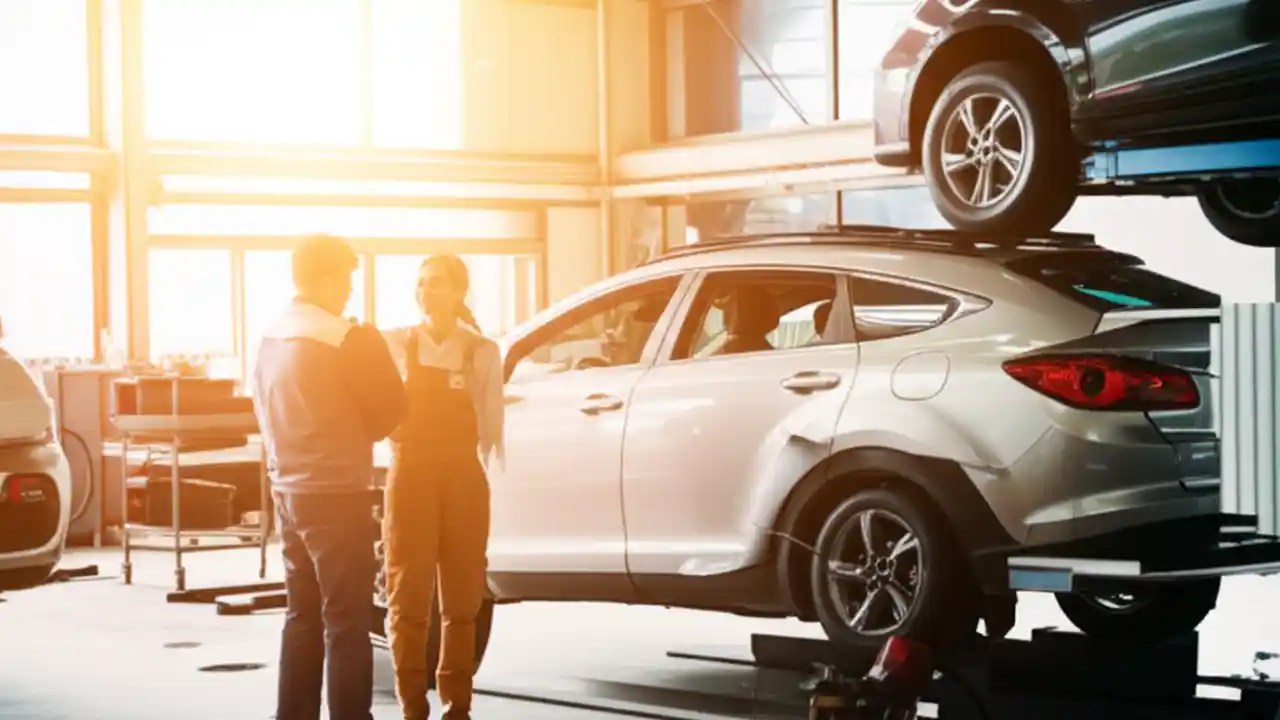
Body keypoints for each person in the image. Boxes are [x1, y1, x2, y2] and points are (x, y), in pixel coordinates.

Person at [252, 234, 407, 720]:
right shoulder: (347, 338)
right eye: (345, 280)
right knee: (346, 621)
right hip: (336, 492)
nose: (349, 292)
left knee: (301, 616)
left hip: (287, 491)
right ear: (323, 279)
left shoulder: (270, 336)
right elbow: (392, 413)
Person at [381, 254, 504, 720]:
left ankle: (458, 705)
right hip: (409, 471)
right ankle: (412, 706)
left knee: (462, 597)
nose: (426, 292)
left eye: (436, 283)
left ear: (458, 291)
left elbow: (492, 433)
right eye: (421, 283)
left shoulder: (483, 352)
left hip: (461, 475)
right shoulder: (395, 345)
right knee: (407, 595)